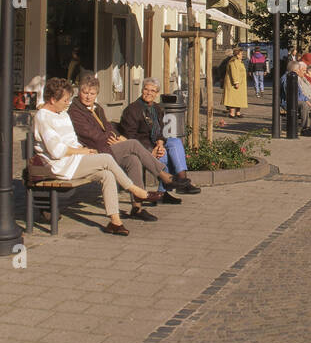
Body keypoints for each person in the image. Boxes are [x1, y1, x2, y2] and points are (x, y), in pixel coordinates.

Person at [33, 78, 152, 236]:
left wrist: (83, 150)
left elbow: (72, 140)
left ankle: (115, 222)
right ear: (53, 100)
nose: (68, 103)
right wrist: (82, 152)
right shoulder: (43, 117)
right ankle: (134, 189)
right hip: (60, 165)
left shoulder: (61, 113)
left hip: (74, 160)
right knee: (106, 159)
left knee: (107, 175)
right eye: (65, 100)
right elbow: (56, 150)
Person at [69, 73, 178, 218]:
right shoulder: (75, 111)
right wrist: (117, 140)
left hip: (106, 147)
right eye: (85, 93)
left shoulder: (96, 108)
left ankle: (137, 207)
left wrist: (117, 137)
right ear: (79, 92)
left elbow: (108, 127)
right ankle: (163, 175)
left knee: (133, 160)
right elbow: (90, 135)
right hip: (94, 152)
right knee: (132, 144)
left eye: (92, 93)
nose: (88, 97)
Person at [119, 78, 201, 194]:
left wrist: (160, 143)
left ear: (157, 93)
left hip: (155, 142)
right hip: (142, 146)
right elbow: (130, 137)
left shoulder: (157, 108)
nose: (149, 93)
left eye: (152, 91)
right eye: (146, 89)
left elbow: (161, 130)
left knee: (176, 141)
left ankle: (183, 181)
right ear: (142, 90)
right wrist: (149, 151)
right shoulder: (133, 109)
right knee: (164, 156)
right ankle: (163, 193)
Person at [223, 47, 248, 118]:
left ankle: (238, 112)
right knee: (233, 99)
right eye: (241, 54)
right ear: (237, 55)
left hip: (240, 83)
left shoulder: (239, 61)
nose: (242, 56)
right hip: (234, 84)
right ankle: (232, 113)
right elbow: (234, 72)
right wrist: (236, 82)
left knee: (239, 98)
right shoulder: (233, 62)